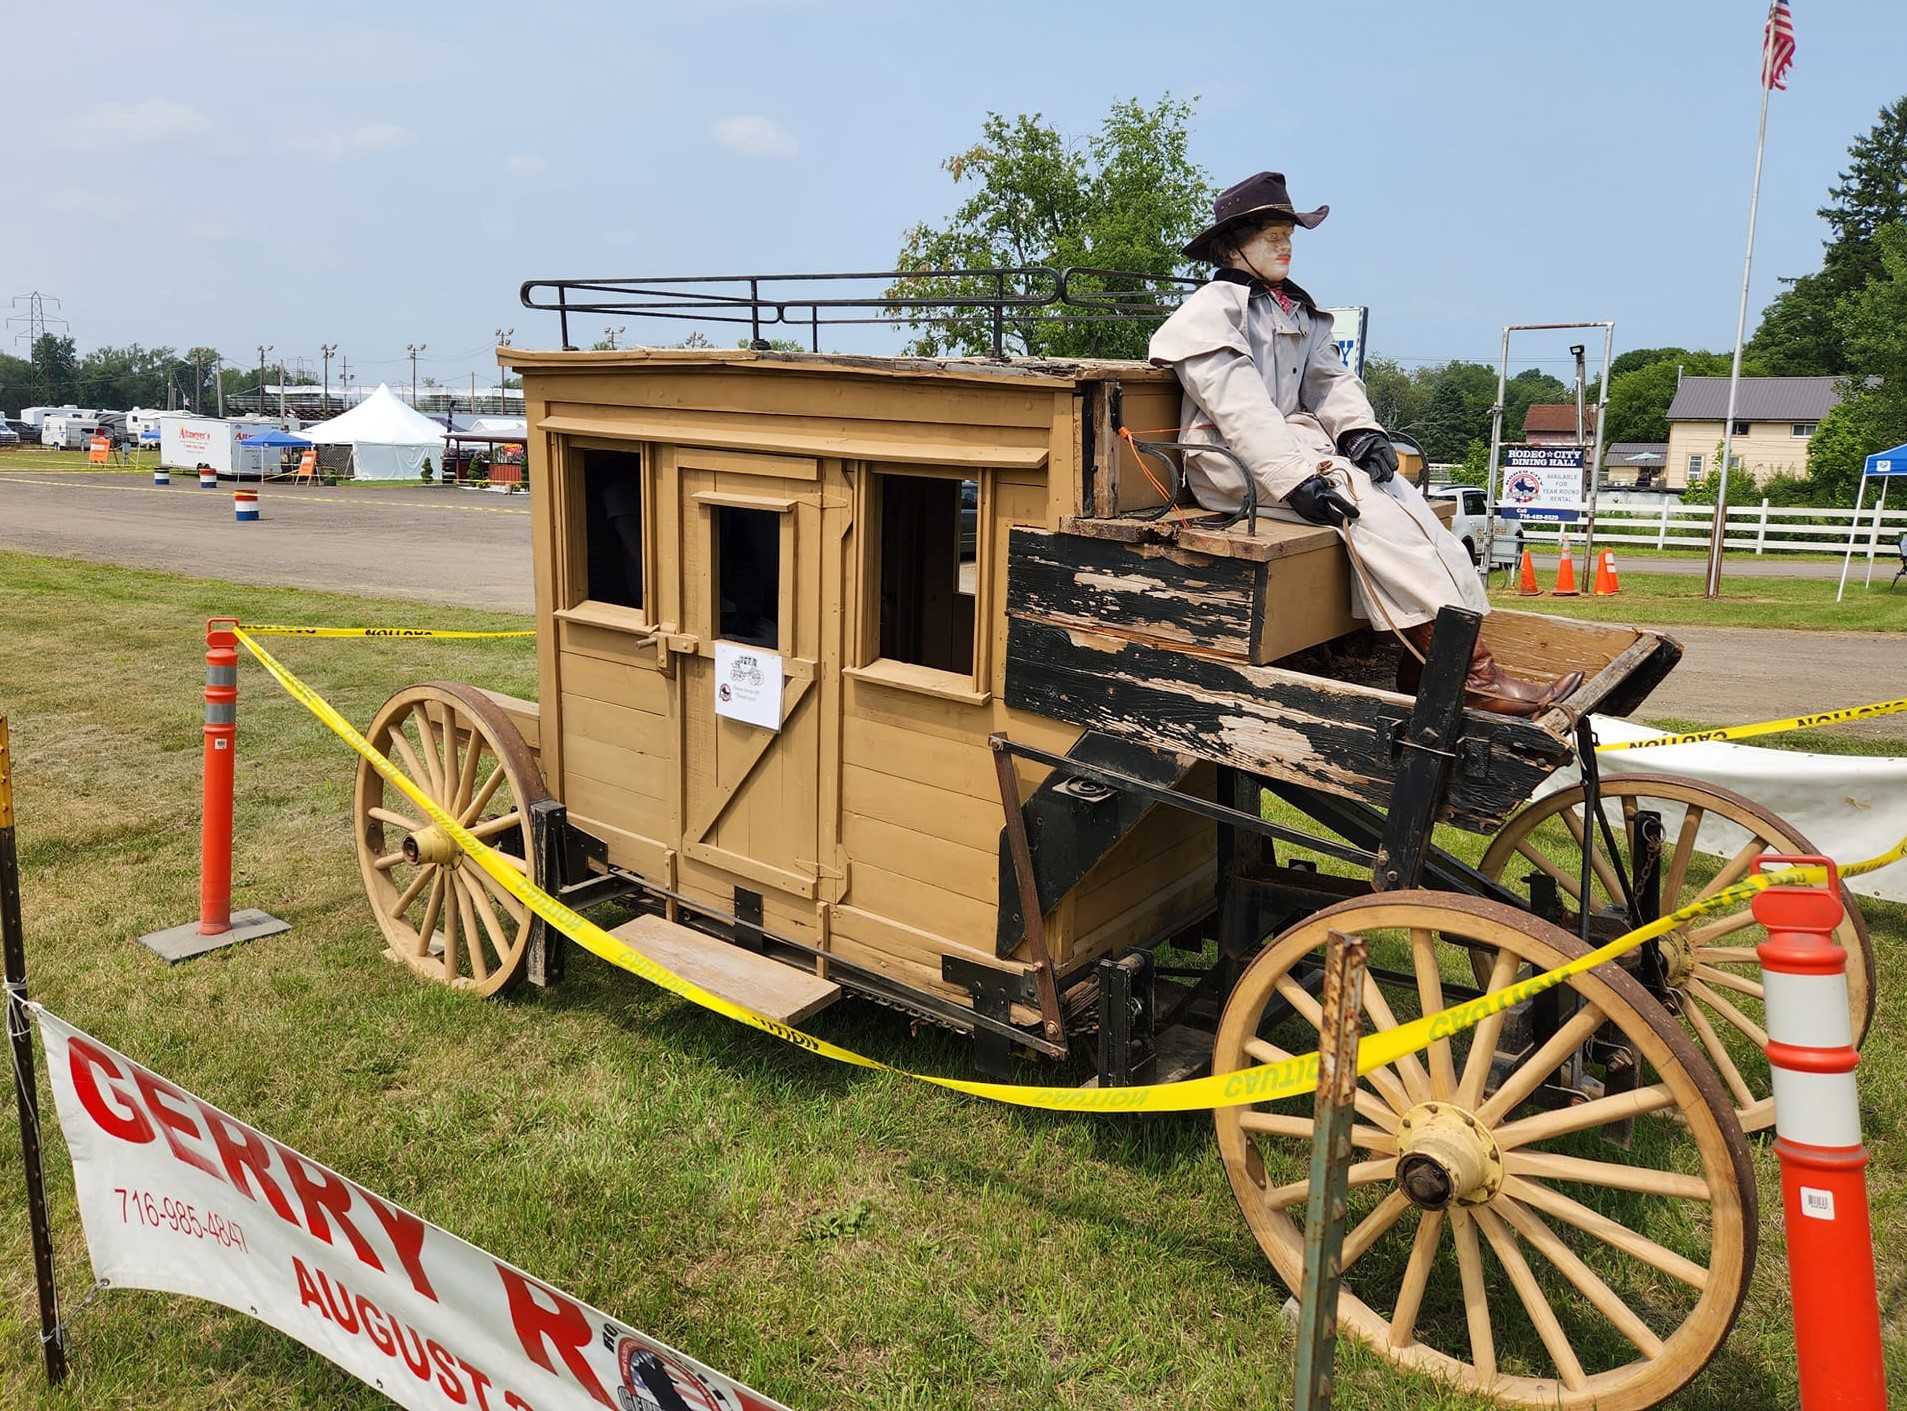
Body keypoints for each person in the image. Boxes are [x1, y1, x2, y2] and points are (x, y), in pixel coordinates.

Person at [1148, 171, 1581, 717]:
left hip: (1299, 449)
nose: (1284, 245)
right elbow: (1240, 408)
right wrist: (1294, 481)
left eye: (1289, 234)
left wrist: (1361, 432)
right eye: (1270, 235)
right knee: (1371, 517)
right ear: (1232, 245)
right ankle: (1470, 677)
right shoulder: (1210, 312)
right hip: (1232, 460)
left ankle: (1436, 666)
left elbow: (1330, 382)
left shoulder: (1296, 309)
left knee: (1406, 500)